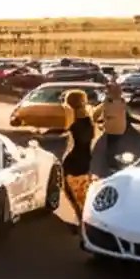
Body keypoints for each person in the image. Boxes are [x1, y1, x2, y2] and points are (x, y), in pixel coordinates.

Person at [61, 89, 96, 229]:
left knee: (73, 193)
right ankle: (83, 220)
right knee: (81, 193)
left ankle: (82, 220)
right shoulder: (87, 119)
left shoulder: (74, 119)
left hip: (74, 160)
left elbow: (79, 139)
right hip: (85, 158)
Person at [95, 82, 129, 172]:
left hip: (112, 127)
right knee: (115, 145)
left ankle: (111, 165)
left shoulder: (109, 101)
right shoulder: (122, 101)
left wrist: (95, 117)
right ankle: (114, 162)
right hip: (120, 126)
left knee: (111, 146)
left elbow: (102, 110)